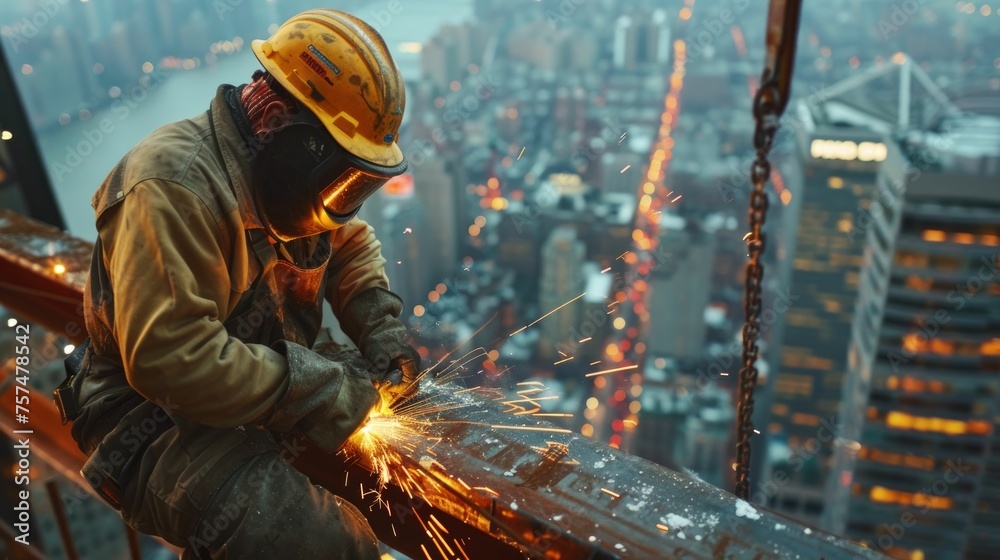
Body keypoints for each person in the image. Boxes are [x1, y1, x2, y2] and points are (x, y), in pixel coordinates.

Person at [53, 9, 420, 559]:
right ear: (274, 117)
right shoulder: (173, 186)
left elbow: (348, 241)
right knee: (321, 542)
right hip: (152, 420)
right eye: (341, 177)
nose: (340, 201)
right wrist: (321, 389)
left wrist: (381, 327)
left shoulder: (288, 183)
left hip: (257, 375)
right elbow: (170, 360)